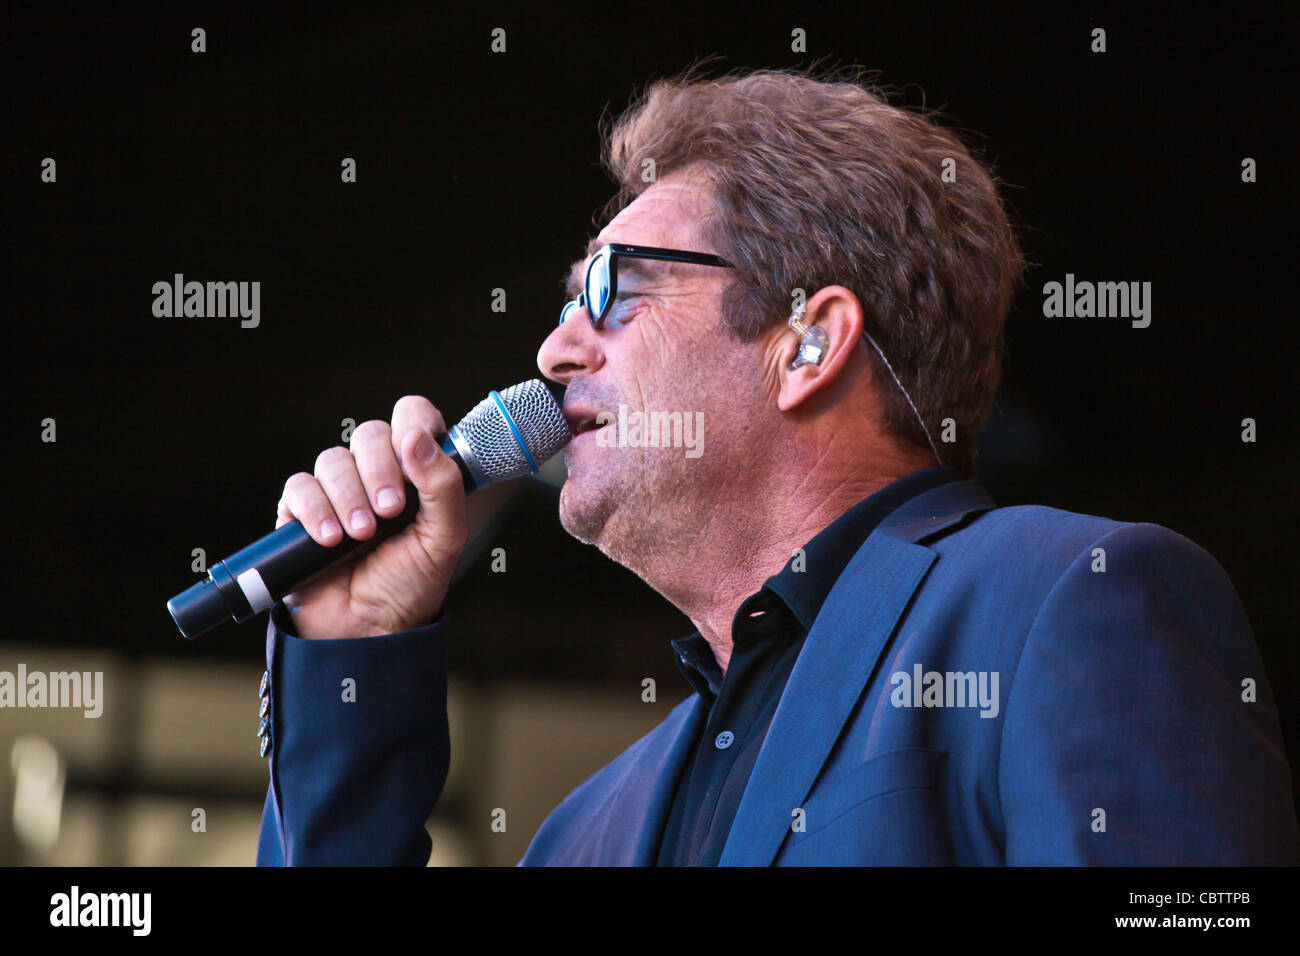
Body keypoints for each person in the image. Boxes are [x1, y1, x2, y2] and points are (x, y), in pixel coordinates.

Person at [254, 68, 1298, 865]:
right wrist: (355, 660)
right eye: (564, 303)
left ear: (808, 341)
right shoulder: (587, 825)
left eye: (611, 290)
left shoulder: (1072, 601)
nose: (555, 350)